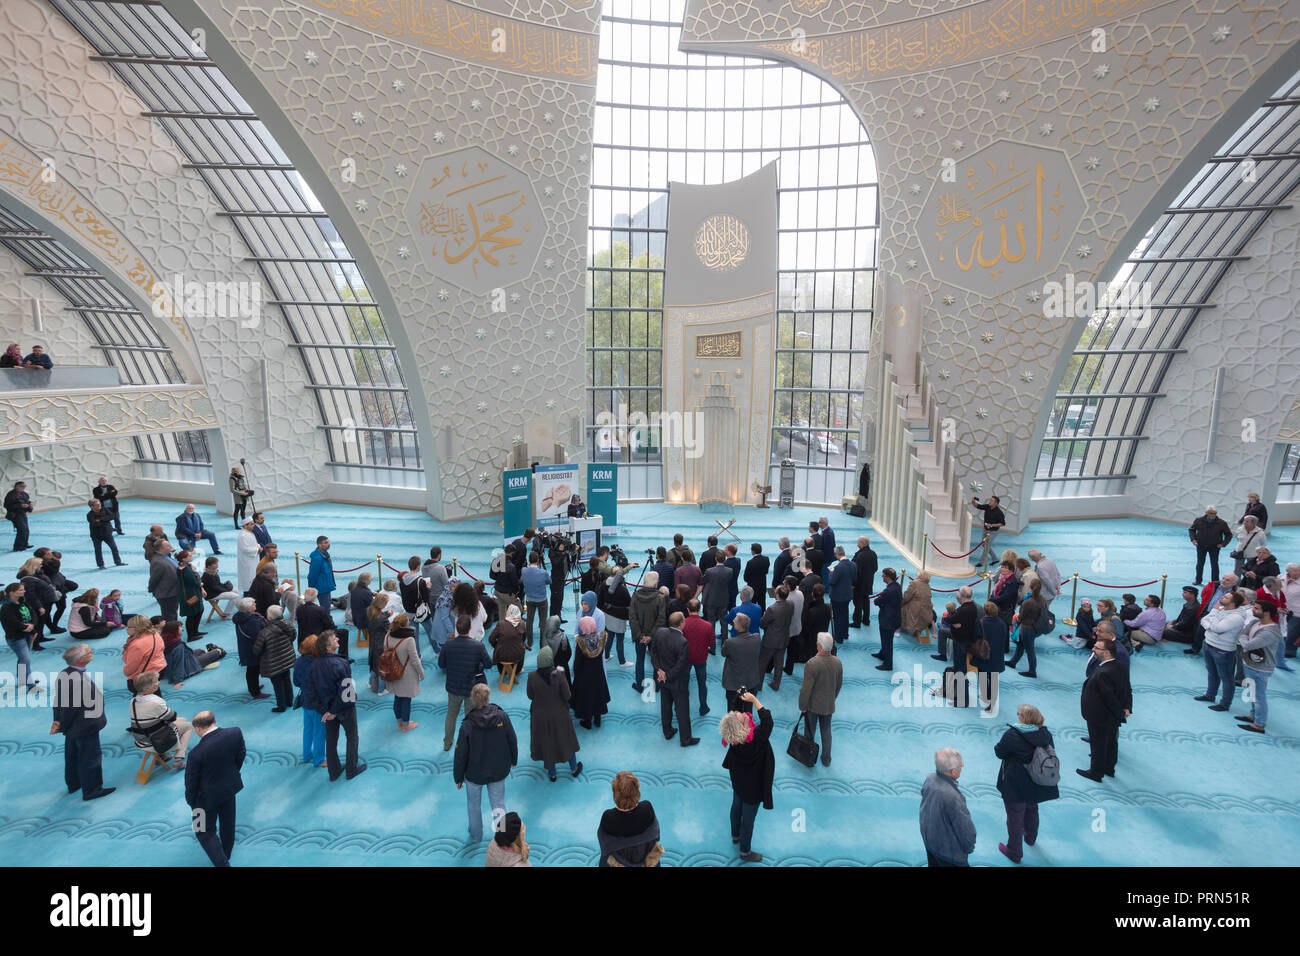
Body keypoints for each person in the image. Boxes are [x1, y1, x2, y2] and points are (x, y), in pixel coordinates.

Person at [993, 704, 1059, 863]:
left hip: (1016, 783)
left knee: (1015, 817)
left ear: (1024, 719)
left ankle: (1014, 852)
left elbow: (999, 752)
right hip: (1037, 782)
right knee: (1032, 809)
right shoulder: (1045, 734)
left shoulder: (1013, 735)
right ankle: (1031, 837)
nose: (1017, 716)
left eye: (1019, 715)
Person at [452, 683, 518, 842]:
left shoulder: (467, 725)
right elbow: (512, 740)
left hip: (474, 774)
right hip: (498, 770)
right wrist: (513, 760)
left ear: (473, 700)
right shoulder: (502, 717)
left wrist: (458, 777)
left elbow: (460, 754)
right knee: (498, 805)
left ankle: (476, 836)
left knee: (473, 806)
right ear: (488, 697)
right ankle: (502, 837)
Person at [50, 644, 114, 800]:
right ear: (80, 659)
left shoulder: (65, 674)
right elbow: (69, 708)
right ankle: (92, 790)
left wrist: (58, 721)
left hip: (75, 726)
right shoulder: (76, 681)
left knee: (72, 756)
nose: (91, 652)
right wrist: (62, 724)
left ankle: (74, 784)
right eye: (88, 652)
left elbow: (58, 702)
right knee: (90, 758)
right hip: (84, 725)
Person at [184, 711, 245, 867]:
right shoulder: (235, 732)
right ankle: (226, 854)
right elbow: (240, 756)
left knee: (202, 832)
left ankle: (222, 863)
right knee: (228, 822)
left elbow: (191, 782)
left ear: (197, 728)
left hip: (203, 799)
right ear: (214, 721)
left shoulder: (195, 754)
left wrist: (192, 802)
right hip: (229, 788)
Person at [720, 691, 774, 863]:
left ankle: (735, 835)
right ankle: (745, 851)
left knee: (736, 807)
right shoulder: (756, 739)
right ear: (743, 726)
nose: (743, 713)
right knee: (748, 820)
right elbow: (767, 721)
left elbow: (735, 714)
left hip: (739, 781)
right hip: (753, 787)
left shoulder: (733, 739)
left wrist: (738, 698)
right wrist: (755, 700)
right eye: (741, 715)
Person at [309, 629, 366, 780]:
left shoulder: (313, 665)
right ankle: (351, 770)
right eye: (335, 640)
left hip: (326, 710)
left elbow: (311, 693)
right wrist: (334, 710)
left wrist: (326, 711)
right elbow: (347, 693)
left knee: (331, 740)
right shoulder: (341, 664)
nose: (338, 641)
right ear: (328, 647)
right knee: (352, 737)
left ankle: (333, 772)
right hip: (344, 709)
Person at [1077, 638, 1132, 781]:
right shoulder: (1121, 666)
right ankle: (1109, 768)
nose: (1093, 649)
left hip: (1100, 715)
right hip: (1111, 715)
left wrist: (1120, 713)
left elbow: (1109, 697)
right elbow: (1127, 689)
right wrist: (1127, 708)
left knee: (1098, 744)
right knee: (1111, 743)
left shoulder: (1103, 672)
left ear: (1107, 652)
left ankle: (1095, 773)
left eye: (1097, 648)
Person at [526, 644, 582, 781]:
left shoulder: (532, 676)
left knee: (547, 744)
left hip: (540, 716)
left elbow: (530, 695)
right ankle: (574, 769)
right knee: (567, 741)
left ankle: (552, 774)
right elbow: (567, 695)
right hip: (560, 715)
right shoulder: (559, 674)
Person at [438, 614, 493, 752]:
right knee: (471, 717)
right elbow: (488, 664)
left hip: (453, 686)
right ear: (469, 628)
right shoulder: (478, 646)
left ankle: (447, 743)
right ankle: (470, 742)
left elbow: (441, 664)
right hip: (471, 687)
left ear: (456, 628)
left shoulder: (448, 645)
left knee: (451, 715)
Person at [919, 747, 976, 866]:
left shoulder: (930, 779)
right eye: (960, 765)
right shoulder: (953, 797)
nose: (962, 766)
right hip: (950, 855)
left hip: (930, 843)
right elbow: (966, 832)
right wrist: (969, 847)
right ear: (953, 772)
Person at [651, 611, 699, 745]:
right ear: (681, 623)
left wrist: (659, 671)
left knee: (665, 706)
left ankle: (667, 731)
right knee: (682, 710)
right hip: (678, 683)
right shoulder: (683, 642)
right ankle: (685, 739)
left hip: (662, 680)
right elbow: (680, 666)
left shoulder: (659, 632)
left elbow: (653, 652)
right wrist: (666, 675)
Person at [128, 671, 192, 769]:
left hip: (140, 737)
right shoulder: (154, 702)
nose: (158, 683)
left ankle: (162, 755)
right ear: (148, 689)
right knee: (189, 726)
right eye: (155, 682)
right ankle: (179, 759)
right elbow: (172, 716)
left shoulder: (133, 700)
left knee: (182, 719)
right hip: (153, 739)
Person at [597, 772, 662, 867]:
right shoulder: (647, 808)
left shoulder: (608, 817)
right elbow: (655, 834)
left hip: (618, 862)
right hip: (647, 860)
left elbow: (604, 844)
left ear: (615, 794)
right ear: (636, 791)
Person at [799, 633, 843, 766]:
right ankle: (826, 759)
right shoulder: (837, 662)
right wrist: (832, 698)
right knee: (826, 730)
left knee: (809, 731)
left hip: (812, 705)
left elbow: (806, 689)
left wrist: (802, 705)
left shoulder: (812, 663)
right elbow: (839, 685)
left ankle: (808, 756)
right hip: (828, 704)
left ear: (819, 645)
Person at [1238, 598, 1280, 734]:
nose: (1252, 610)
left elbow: (1247, 644)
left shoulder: (1270, 632)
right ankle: (1253, 715)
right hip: (1250, 664)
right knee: (1253, 693)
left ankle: (1259, 724)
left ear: (1266, 613)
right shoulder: (1255, 622)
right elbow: (1243, 633)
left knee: (1259, 696)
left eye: (1256, 609)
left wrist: (1244, 639)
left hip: (1260, 668)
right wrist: (1244, 638)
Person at [381, 615, 423, 733]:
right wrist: (421, 672)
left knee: (397, 697)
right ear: (406, 624)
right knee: (406, 700)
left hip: (392, 672)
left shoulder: (388, 635)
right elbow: (415, 660)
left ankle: (399, 722)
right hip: (406, 674)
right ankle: (405, 725)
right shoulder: (409, 640)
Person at [253, 605, 297, 712]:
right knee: (287, 680)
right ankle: (289, 701)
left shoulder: (265, 632)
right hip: (287, 657)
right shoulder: (287, 624)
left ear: (269, 617)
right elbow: (293, 636)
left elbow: (256, 650)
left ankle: (281, 706)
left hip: (273, 663)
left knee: (278, 685)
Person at [2, 582, 41, 694]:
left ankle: (23, 679)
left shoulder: (23, 602)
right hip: (16, 637)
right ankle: (31, 685)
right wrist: (26, 627)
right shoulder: (6, 608)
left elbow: (32, 614)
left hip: (27, 634)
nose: (24, 591)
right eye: (21, 590)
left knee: (23, 659)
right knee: (25, 659)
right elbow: (11, 623)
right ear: (12, 593)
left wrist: (32, 626)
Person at [572, 615, 611, 730]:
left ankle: (587, 721)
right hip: (598, 674)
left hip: (585, 676)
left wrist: (576, 672)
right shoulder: (601, 638)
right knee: (598, 695)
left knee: (586, 698)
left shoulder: (581, 643)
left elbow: (578, 662)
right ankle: (598, 719)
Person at [630, 571, 666, 693]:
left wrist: (640, 635)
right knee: (656, 661)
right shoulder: (660, 598)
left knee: (639, 660)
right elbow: (661, 620)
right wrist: (650, 636)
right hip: (655, 637)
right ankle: (657, 685)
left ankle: (639, 686)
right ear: (656, 583)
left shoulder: (635, 596)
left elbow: (632, 618)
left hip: (639, 636)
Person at [680, 599, 714, 715]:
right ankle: (703, 707)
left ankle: (680, 707)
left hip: (686, 658)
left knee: (683, 684)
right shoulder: (708, 625)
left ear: (687, 610)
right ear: (700, 609)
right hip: (701, 658)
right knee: (702, 684)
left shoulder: (682, 624)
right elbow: (712, 643)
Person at [231, 597, 270, 700]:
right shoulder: (251, 621)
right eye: (253, 605)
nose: (255, 606)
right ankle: (255, 692)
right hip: (252, 650)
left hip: (245, 647)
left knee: (252, 670)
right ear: (248, 609)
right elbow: (258, 637)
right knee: (253, 670)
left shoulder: (241, 617)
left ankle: (253, 687)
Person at [1006, 578, 1046, 677]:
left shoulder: (1028, 602)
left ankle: (1032, 671)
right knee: (1021, 645)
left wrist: (1016, 623)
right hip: (1036, 627)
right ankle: (1013, 662)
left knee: (1029, 650)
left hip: (1027, 628)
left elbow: (1021, 616)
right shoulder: (1042, 600)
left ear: (1030, 587)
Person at [758, 585, 794, 689]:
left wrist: (764, 616)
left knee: (762, 662)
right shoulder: (791, 604)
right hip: (784, 638)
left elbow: (762, 624)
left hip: (771, 640)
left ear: (777, 594)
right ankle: (776, 684)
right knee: (779, 663)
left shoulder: (772, 609)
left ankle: (758, 685)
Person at [974, 602, 1008, 711]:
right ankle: (991, 702)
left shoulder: (981, 622)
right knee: (993, 679)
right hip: (997, 655)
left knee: (983, 676)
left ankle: (985, 696)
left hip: (984, 654)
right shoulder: (1002, 623)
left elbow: (976, 637)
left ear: (985, 611)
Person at [122, 616, 167, 693]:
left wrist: (125, 671)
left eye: (129, 627)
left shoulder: (136, 645)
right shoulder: (155, 634)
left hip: (144, 677)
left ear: (137, 628)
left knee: (144, 697)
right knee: (154, 691)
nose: (127, 629)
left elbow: (130, 668)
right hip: (160, 668)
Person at [1189, 506, 1232, 584]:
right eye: (1211, 513)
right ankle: (1198, 580)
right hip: (1201, 545)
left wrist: (1223, 544)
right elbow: (1192, 530)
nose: (1213, 515)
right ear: (1206, 513)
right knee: (1200, 564)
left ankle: (1215, 582)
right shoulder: (1198, 520)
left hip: (1214, 547)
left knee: (1214, 564)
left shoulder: (1222, 523)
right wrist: (1193, 539)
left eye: (1215, 513)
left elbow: (1228, 535)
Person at [873, 568, 902, 671]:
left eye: (883, 576)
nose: (882, 578)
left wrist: (880, 602)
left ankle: (888, 664)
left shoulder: (889, 590)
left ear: (887, 577)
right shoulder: (897, 586)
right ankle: (882, 654)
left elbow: (877, 601)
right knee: (886, 640)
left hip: (888, 620)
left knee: (887, 642)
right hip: (893, 618)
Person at [519, 552, 550, 649]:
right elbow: (549, 581)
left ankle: (530, 641)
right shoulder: (543, 572)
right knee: (543, 621)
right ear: (538, 561)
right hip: (542, 600)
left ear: (529, 560)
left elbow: (521, 581)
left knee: (529, 620)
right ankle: (542, 643)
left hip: (530, 599)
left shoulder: (523, 570)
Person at [84, 499, 125, 568]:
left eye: (99, 504)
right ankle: (101, 565)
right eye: (97, 505)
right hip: (96, 535)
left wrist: (100, 519)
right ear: (92, 507)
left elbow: (112, 516)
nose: (99, 505)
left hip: (107, 533)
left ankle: (118, 562)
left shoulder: (105, 509)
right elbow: (95, 524)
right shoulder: (89, 515)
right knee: (98, 550)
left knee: (114, 548)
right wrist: (105, 519)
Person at [828, 546, 856, 645]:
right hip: (848, 594)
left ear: (837, 554)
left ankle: (838, 637)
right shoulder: (853, 564)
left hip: (838, 596)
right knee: (845, 614)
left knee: (838, 617)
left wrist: (831, 572)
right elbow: (854, 579)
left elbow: (832, 582)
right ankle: (845, 634)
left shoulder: (839, 567)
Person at [176, 550, 206, 642]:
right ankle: (191, 635)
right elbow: (194, 582)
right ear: (184, 558)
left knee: (198, 611)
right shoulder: (185, 570)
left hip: (192, 592)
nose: (191, 556)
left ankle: (195, 631)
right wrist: (201, 584)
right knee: (192, 615)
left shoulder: (185, 567)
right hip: (190, 594)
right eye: (189, 555)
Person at [147, 538, 180, 621]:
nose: (171, 546)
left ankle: (173, 628)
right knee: (169, 615)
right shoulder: (157, 561)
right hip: (166, 593)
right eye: (168, 546)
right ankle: (170, 630)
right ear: (161, 549)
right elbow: (154, 578)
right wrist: (151, 589)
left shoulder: (167, 557)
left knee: (173, 612)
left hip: (173, 591)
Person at [491, 603, 527, 678]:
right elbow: (523, 638)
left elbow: (491, 639)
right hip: (516, 655)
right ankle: (518, 670)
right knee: (522, 648)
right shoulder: (522, 623)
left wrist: (497, 645)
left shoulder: (501, 624)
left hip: (501, 655)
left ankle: (503, 671)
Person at [701, 557, 732, 643]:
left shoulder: (709, 571)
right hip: (723, 599)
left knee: (711, 621)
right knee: (723, 621)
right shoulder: (729, 571)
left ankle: (712, 644)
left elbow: (703, 580)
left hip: (711, 599)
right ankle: (725, 642)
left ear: (715, 559)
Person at [850, 536, 878, 628]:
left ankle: (856, 622)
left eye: (858, 542)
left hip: (859, 583)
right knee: (866, 601)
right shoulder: (873, 553)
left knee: (857, 603)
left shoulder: (860, 555)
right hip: (869, 582)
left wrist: (853, 583)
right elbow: (875, 568)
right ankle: (866, 620)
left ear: (862, 543)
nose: (857, 544)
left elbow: (856, 571)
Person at [900, 568, 933, 640]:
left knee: (900, 607)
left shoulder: (914, 583)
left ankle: (898, 628)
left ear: (919, 576)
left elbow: (906, 597)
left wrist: (899, 603)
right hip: (927, 613)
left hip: (916, 613)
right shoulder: (928, 586)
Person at [971, 495, 1005, 564]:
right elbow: (977, 506)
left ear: (996, 503)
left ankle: (981, 562)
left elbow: (1002, 523)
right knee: (984, 544)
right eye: (990, 500)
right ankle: (995, 559)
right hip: (985, 529)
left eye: (992, 501)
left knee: (986, 545)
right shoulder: (987, 507)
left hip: (993, 531)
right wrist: (973, 501)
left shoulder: (999, 512)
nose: (990, 501)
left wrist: (991, 525)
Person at [306, 536, 336, 615]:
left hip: (326, 585)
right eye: (325, 543)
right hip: (322, 587)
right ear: (319, 545)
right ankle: (326, 626)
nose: (328, 544)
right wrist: (311, 588)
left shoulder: (324, 554)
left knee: (326, 608)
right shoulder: (317, 558)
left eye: (328, 542)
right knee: (325, 610)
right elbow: (313, 574)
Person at [5, 481, 33, 551]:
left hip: (23, 513)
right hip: (15, 514)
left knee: (26, 529)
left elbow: (27, 501)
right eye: (22, 486)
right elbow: (7, 506)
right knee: (22, 530)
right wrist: (20, 505)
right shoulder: (11, 495)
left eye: (24, 486)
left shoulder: (25, 494)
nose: (23, 488)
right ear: (16, 486)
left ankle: (25, 543)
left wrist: (30, 504)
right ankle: (18, 546)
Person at [743, 544, 770, 612]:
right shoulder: (766, 559)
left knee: (752, 607)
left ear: (753, 551)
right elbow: (766, 571)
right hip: (762, 586)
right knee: (762, 605)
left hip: (752, 588)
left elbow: (746, 577)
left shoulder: (750, 562)